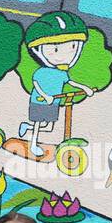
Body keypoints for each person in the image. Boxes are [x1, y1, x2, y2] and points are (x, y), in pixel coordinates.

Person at [18, 11, 94, 157]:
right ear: (38, 50)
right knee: (39, 123)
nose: (63, 55)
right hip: (39, 101)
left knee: (50, 126)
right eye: (55, 49)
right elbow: (36, 84)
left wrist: (85, 88)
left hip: (54, 101)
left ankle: (26, 126)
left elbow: (70, 82)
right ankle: (33, 144)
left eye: (72, 47)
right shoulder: (42, 72)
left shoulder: (62, 72)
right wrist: (45, 96)